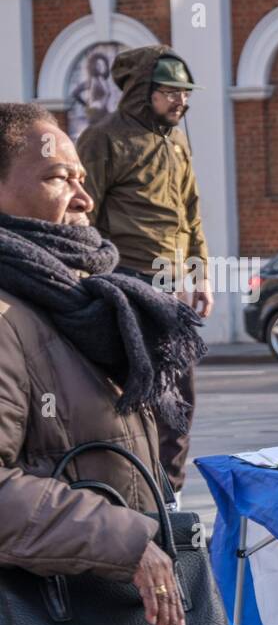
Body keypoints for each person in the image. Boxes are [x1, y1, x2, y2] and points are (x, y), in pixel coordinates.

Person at [0, 103, 263, 625]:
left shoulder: (91, 301)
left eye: (84, 177)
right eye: (57, 177)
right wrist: (125, 541)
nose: (84, 196)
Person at [77, 46, 210, 495]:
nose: (182, 102)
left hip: (174, 287)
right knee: (137, 397)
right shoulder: (102, 138)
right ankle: (135, 494)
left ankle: (169, 494)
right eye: (171, 92)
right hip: (128, 282)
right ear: (141, 92)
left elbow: (191, 214)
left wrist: (202, 275)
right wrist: (89, 283)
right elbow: (81, 215)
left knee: (180, 400)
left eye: (185, 94)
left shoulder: (178, 141)